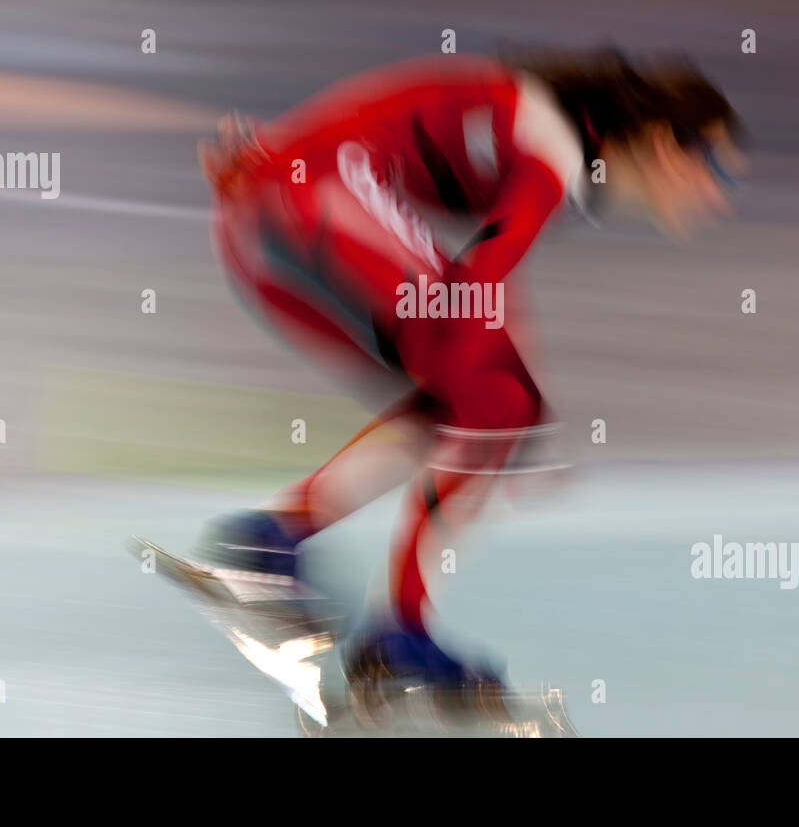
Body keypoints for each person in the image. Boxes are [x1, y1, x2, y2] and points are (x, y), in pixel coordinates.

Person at [197, 47, 746, 687]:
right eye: (713, 170)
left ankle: (273, 541)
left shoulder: (552, 137)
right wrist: (518, 425)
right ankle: (394, 636)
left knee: (472, 404)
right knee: (496, 398)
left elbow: (482, 277)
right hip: (307, 200)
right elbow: (482, 278)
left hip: (265, 223)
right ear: (661, 145)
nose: (718, 197)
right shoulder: (558, 149)